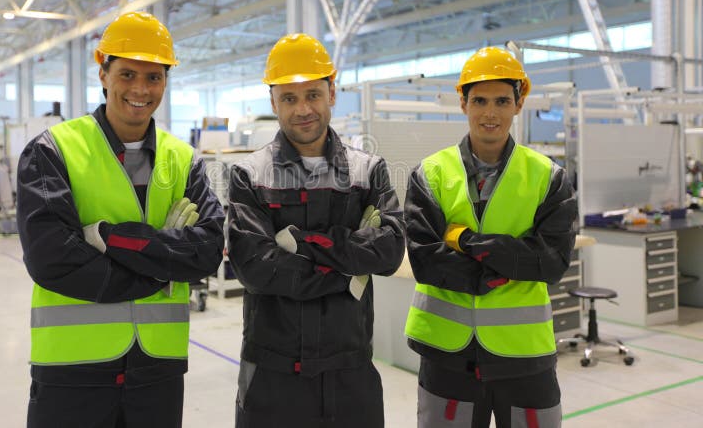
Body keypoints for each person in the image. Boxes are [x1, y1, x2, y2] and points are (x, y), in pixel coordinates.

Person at [17, 11, 225, 428]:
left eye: (153, 78)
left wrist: (108, 238)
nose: (140, 89)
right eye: (128, 74)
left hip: (158, 368)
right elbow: (51, 259)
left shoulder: (181, 159)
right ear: (103, 72)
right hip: (72, 368)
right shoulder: (53, 150)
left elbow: (207, 251)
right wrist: (162, 269)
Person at [227, 33, 406, 428]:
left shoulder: (368, 170)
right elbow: (256, 269)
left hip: (351, 369)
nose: (303, 109)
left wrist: (300, 246)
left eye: (313, 94)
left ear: (332, 93)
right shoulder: (249, 174)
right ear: (273, 101)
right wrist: (347, 270)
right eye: (289, 98)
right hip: (271, 374)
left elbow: (391, 252)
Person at [403, 47, 577, 428]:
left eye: (502, 101)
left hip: (525, 355)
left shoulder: (549, 178)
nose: (490, 113)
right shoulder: (429, 174)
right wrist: (507, 264)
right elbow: (426, 261)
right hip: (446, 353)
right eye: (479, 100)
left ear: (519, 103)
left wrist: (464, 241)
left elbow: (551, 262)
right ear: (463, 102)